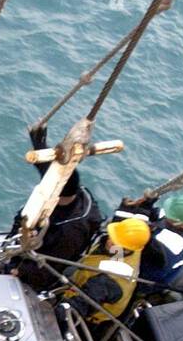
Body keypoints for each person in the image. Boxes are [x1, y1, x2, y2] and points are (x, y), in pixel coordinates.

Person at [8, 124, 104, 292]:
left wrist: (19, 272)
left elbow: (51, 265)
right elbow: (55, 173)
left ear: (55, 193)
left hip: (42, 265)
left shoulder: (71, 230)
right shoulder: (73, 189)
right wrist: (39, 144)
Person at [63, 216, 151, 322]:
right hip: (84, 277)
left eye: (116, 242)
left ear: (128, 249)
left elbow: (81, 305)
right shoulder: (133, 245)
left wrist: (63, 311)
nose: (109, 241)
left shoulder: (108, 280)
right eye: (112, 237)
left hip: (90, 310)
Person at [139, 192, 183, 286]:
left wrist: (129, 214)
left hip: (145, 279)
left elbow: (130, 242)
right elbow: (163, 216)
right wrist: (147, 205)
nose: (168, 215)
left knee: (117, 251)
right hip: (159, 262)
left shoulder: (168, 244)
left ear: (182, 225)